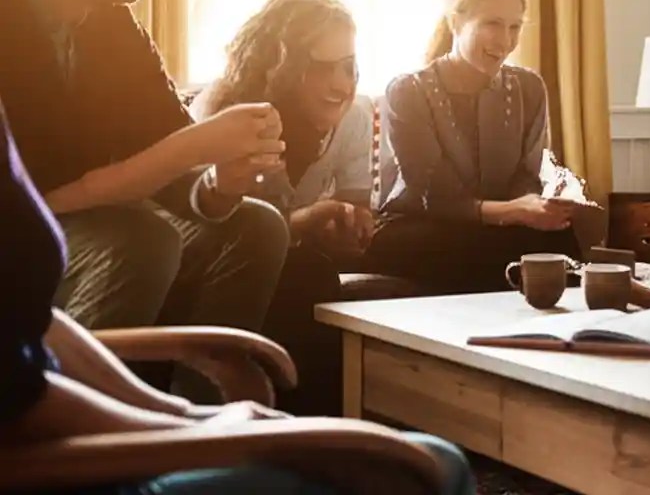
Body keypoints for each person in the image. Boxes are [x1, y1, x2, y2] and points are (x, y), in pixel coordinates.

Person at [0, 95, 476, 494]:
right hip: (73, 474)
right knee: (432, 466)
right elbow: (21, 406)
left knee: (425, 457)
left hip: (99, 442)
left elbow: (32, 328)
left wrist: (188, 414)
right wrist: (205, 436)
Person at [0, 0, 289, 354]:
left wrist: (218, 184)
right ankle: (69, 400)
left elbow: (166, 149)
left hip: (83, 223)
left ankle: (206, 399)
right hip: (17, 230)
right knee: (138, 238)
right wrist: (194, 146)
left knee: (255, 225)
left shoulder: (111, 20)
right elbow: (38, 196)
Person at [192, 0, 374, 416]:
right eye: (322, 68)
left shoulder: (354, 118)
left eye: (348, 67)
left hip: (296, 252)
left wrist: (350, 228)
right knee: (305, 273)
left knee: (316, 266)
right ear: (280, 66)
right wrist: (306, 221)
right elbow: (226, 230)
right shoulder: (229, 114)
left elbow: (355, 204)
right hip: (219, 255)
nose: (341, 84)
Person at [364, 0, 582, 293]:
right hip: (422, 226)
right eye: (492, 24)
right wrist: (513, 212)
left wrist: (537, 209)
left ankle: (591, 319)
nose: (505, 41)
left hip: (501, 225)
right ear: (456, 22)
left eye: (515, 27)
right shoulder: (408, 91)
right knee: (470, 246)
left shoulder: (529, 88)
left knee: (557, 236)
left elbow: (527, 175)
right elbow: (435, 195)